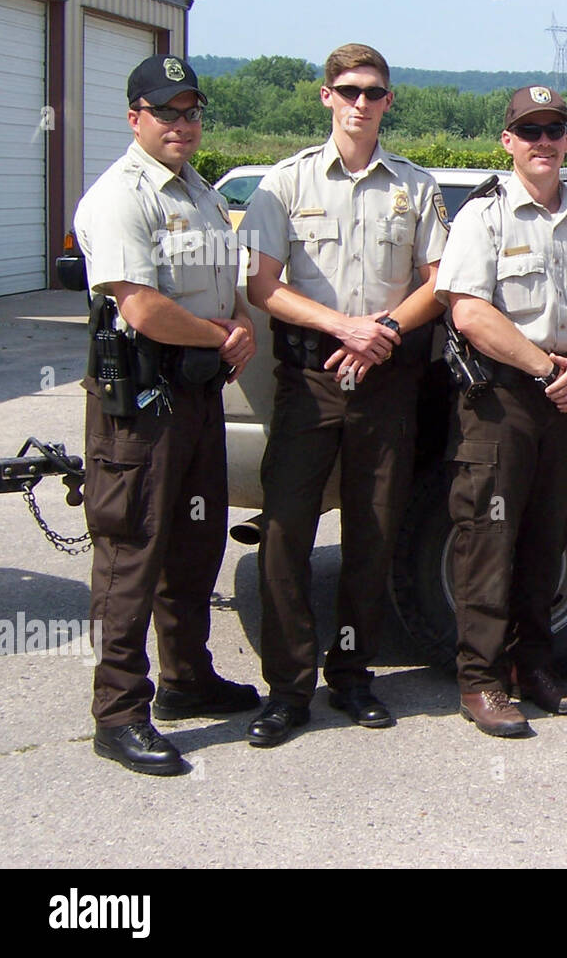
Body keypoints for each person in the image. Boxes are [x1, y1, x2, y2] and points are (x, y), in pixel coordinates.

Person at [240, 44, 448, 747]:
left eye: (375, 92)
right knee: (286, 532)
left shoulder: (415, 187)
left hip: (388, 381)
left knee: (374, 532)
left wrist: (383, 329)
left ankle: (353, 675)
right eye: (350, 90)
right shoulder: (286, 182)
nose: (362, 102)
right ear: (327, 96)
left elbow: (440, 282)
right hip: (309, 380)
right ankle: (289, 688)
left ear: (389, 101)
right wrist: (343, 327)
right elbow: (262, 286)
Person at [75, 54, 259, 776]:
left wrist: (237, 321)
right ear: (134, 118)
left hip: (196, 394)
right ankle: (119, 713)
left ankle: (187, 678)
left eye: (191, 111)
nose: (183, 124)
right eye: (166, 112)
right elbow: (141, 306)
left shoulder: (201, 193)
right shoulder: (123, 196)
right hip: (141, 407)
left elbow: (227, 280)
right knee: (130, 553)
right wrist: (223, 335)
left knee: (192, 540)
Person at [435, 85, 567, 738]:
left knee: (549, 536)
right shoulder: (482, 219)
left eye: (554, 130)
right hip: (505, 400)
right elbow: (468, 310)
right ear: (509, 141)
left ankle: (535, 666)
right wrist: (545, 369)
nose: (544, 142)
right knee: (489, 541)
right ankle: (481, 681)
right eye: (530, 130)